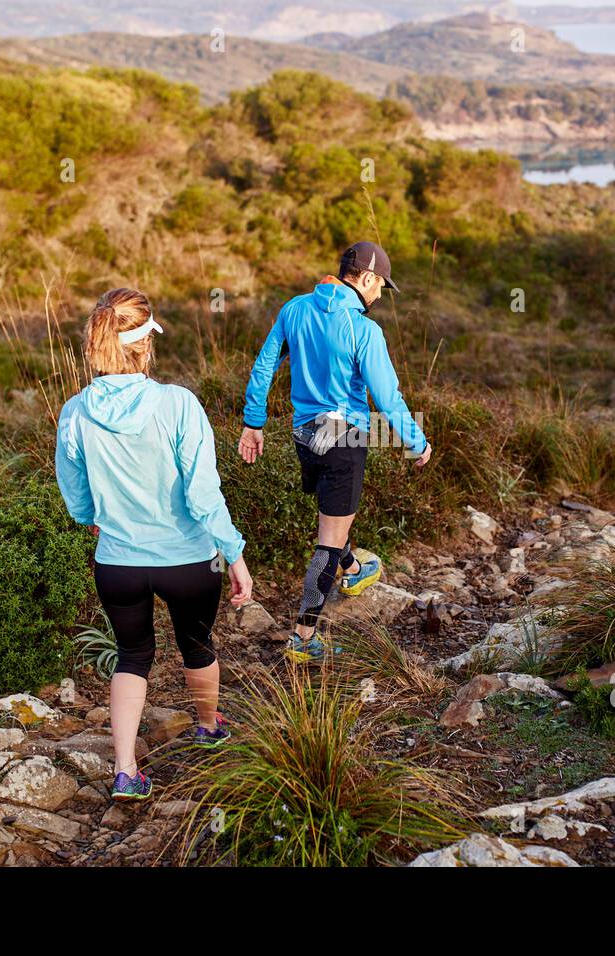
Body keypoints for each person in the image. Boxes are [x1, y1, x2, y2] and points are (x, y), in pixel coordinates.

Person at [55, 288, 252, 802]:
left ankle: (124, 771)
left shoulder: (75, 411)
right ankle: (208, 726)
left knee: (133, 654)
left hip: (117, 563)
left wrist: (91, 520)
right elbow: (202, 492)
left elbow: (74, 492)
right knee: (197, 644)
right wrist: (234, 554)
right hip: (188, 559)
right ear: (144, 345)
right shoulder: (178, 403)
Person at [238, 241, 431, 662]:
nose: (380, 294)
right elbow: (388, 397)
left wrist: (253, 422)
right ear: (364, 278)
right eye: (380, 284)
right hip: (345, 439)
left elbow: (264, 365)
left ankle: (355, 570)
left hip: (304, 434)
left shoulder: (294, 309)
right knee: (329, 539)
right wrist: (417, 442)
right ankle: (303, 637)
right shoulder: (364, 330)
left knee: (333, 516)